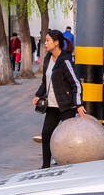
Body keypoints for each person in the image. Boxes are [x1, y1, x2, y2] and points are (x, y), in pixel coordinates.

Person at [35, 29, 87, 168]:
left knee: (69, 138)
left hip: (66, 106)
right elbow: (45, 82)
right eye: (45, 40)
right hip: (51, 106)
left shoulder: (65, 60)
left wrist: (79, 104)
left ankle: (71, 165)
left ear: (56, 43)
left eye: (48, 41)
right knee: (46, 135)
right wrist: (38, 95)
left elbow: (76, 83)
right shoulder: (47, 59)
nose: (45, 43)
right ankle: (45, 167)